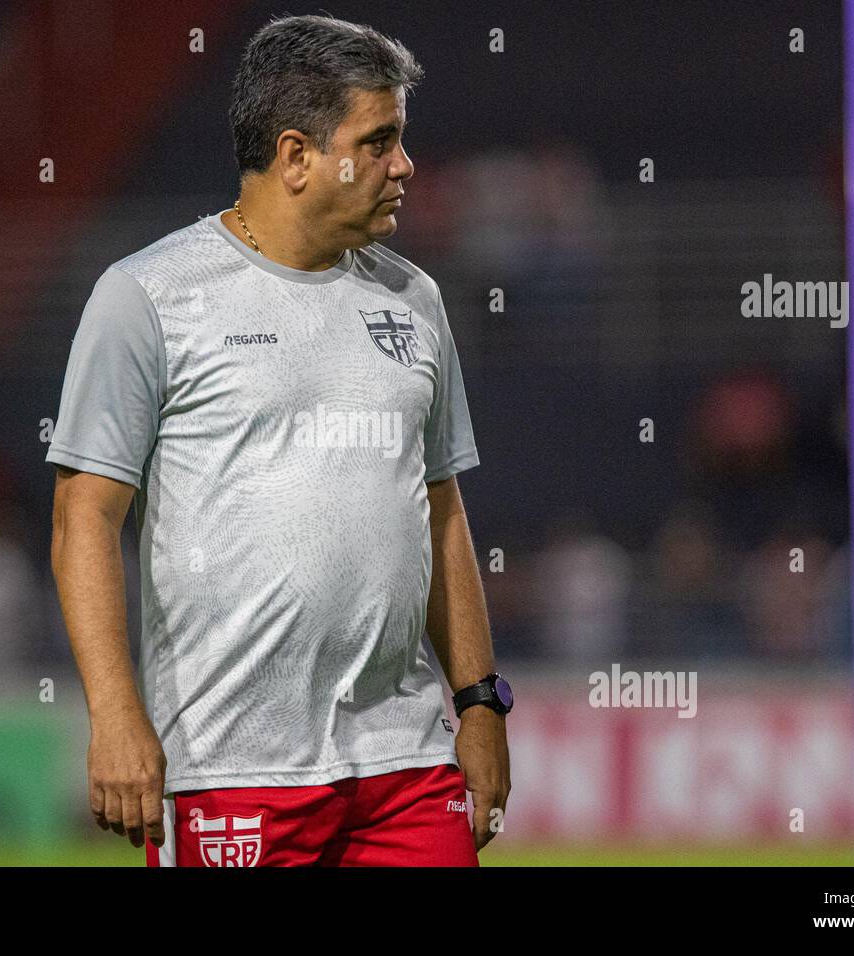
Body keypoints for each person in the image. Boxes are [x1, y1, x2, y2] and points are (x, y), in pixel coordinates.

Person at [46, 14, 510, 867]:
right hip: (230, 765)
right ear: (296, 156)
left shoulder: (415, 301)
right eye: (380, 141)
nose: (404, 166)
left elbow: (440, 509)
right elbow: (83, 519)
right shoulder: (146, 298)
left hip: (404, 765)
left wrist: (478, 703)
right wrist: (115, 715)